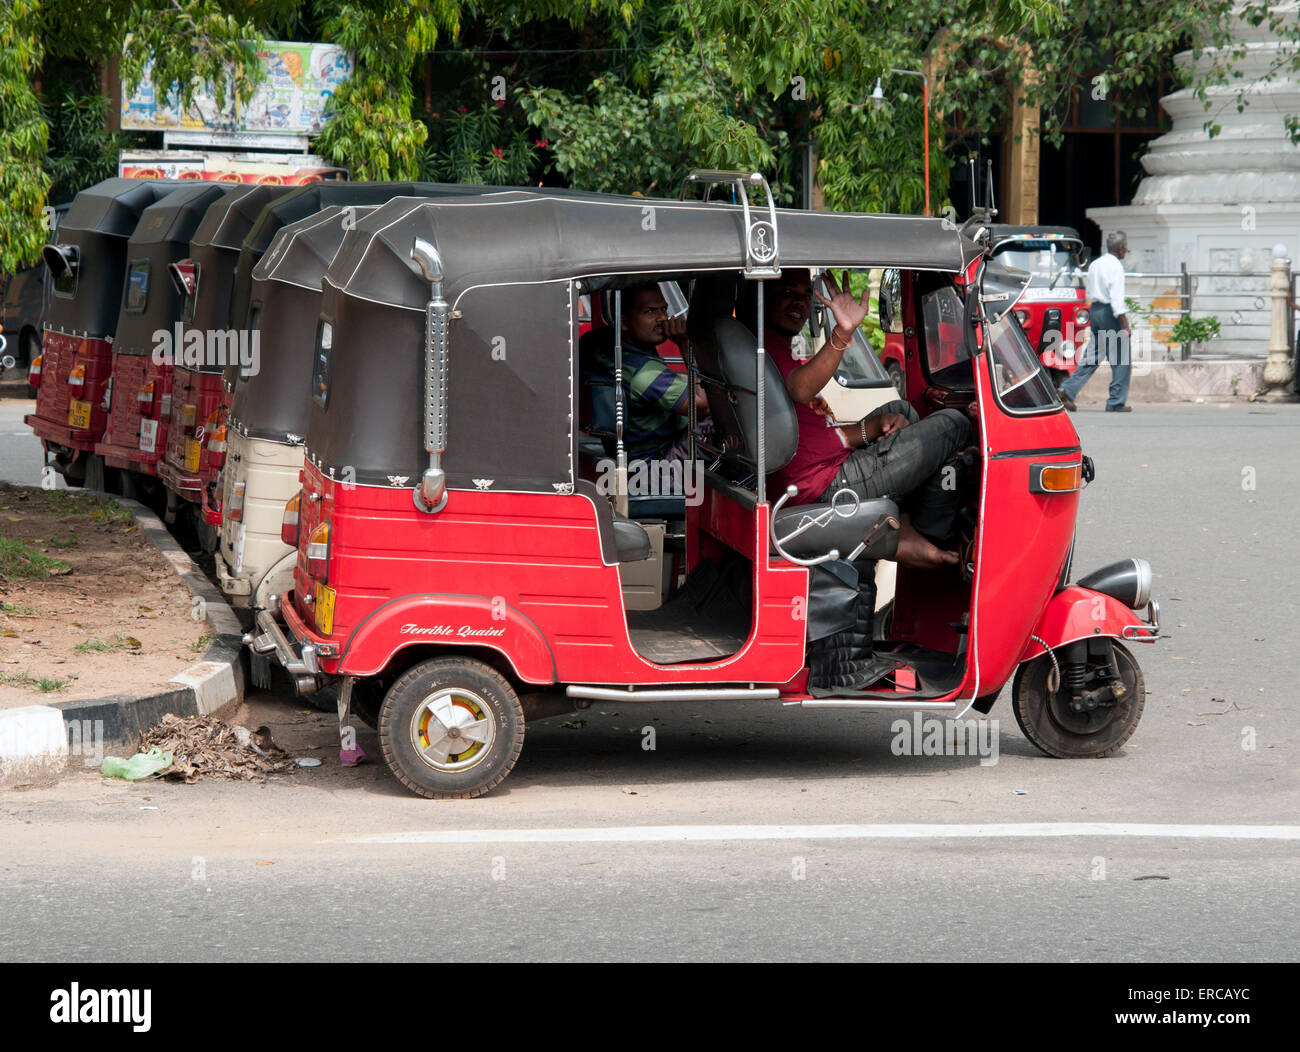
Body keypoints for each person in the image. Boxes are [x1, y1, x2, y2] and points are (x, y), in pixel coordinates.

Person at [764, 269, 971, 570]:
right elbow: (800, 388)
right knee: (954, 423)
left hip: (820, 471)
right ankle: (925, 536)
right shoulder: (768, 348)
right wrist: (843, 333)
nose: (799, 304)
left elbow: (818, 434)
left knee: (902, 411)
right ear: (762, 296)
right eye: (787, 293)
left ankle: (904, 521)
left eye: (805, 297)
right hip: (827, 486)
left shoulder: (771, 346)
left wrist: (873, 427)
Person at [579, 282, 708, 463]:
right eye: (650, 311)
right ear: (624, 322)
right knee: (720, 424)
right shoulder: (643, 373)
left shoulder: (601, 345)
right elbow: (702, 406)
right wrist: (686, 346)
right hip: (652, 461)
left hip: (631, 451)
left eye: (664, 309)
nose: (662, 318)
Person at [1060, 230, 1133, 412]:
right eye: (1125, 247)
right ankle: (1116, 401)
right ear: (1121, 248)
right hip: (1109, 312)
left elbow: (1090, 291)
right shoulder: (1116, 267)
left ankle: (1068, 390)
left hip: (1095, 310)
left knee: (1092, 356)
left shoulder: (1096, 264)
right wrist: (1124, 325)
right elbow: (1117, 299)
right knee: (1121, 359)